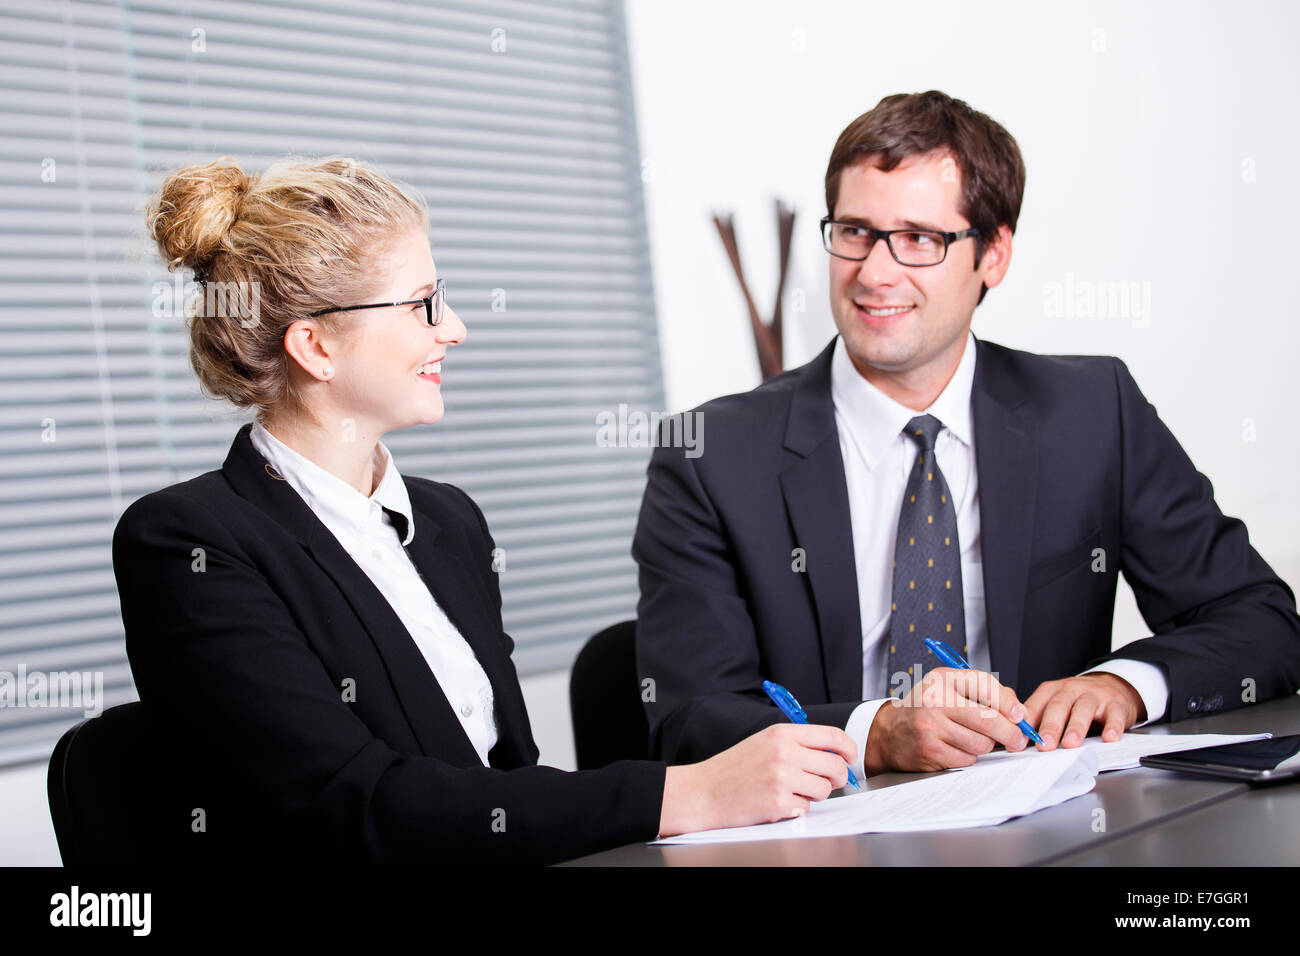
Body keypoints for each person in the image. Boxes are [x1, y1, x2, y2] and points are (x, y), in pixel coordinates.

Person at [115, 156, 856, 866]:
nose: (454, 328)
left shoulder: (448, 521)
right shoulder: (190, 544)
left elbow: (504, 790)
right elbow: (354, 807)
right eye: (422, 305)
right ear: (315, 346)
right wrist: (685, 793)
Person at [633, 90, 1300, 777]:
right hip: (831, 819)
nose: (875, 273)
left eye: (919, 239)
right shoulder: (709, 457)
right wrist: (875, 735)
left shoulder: (1094, 413)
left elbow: (1261, 621)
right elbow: (689, 719)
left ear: (994, 255)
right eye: (856, 231)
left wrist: (1125, 684)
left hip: (1050, 813)